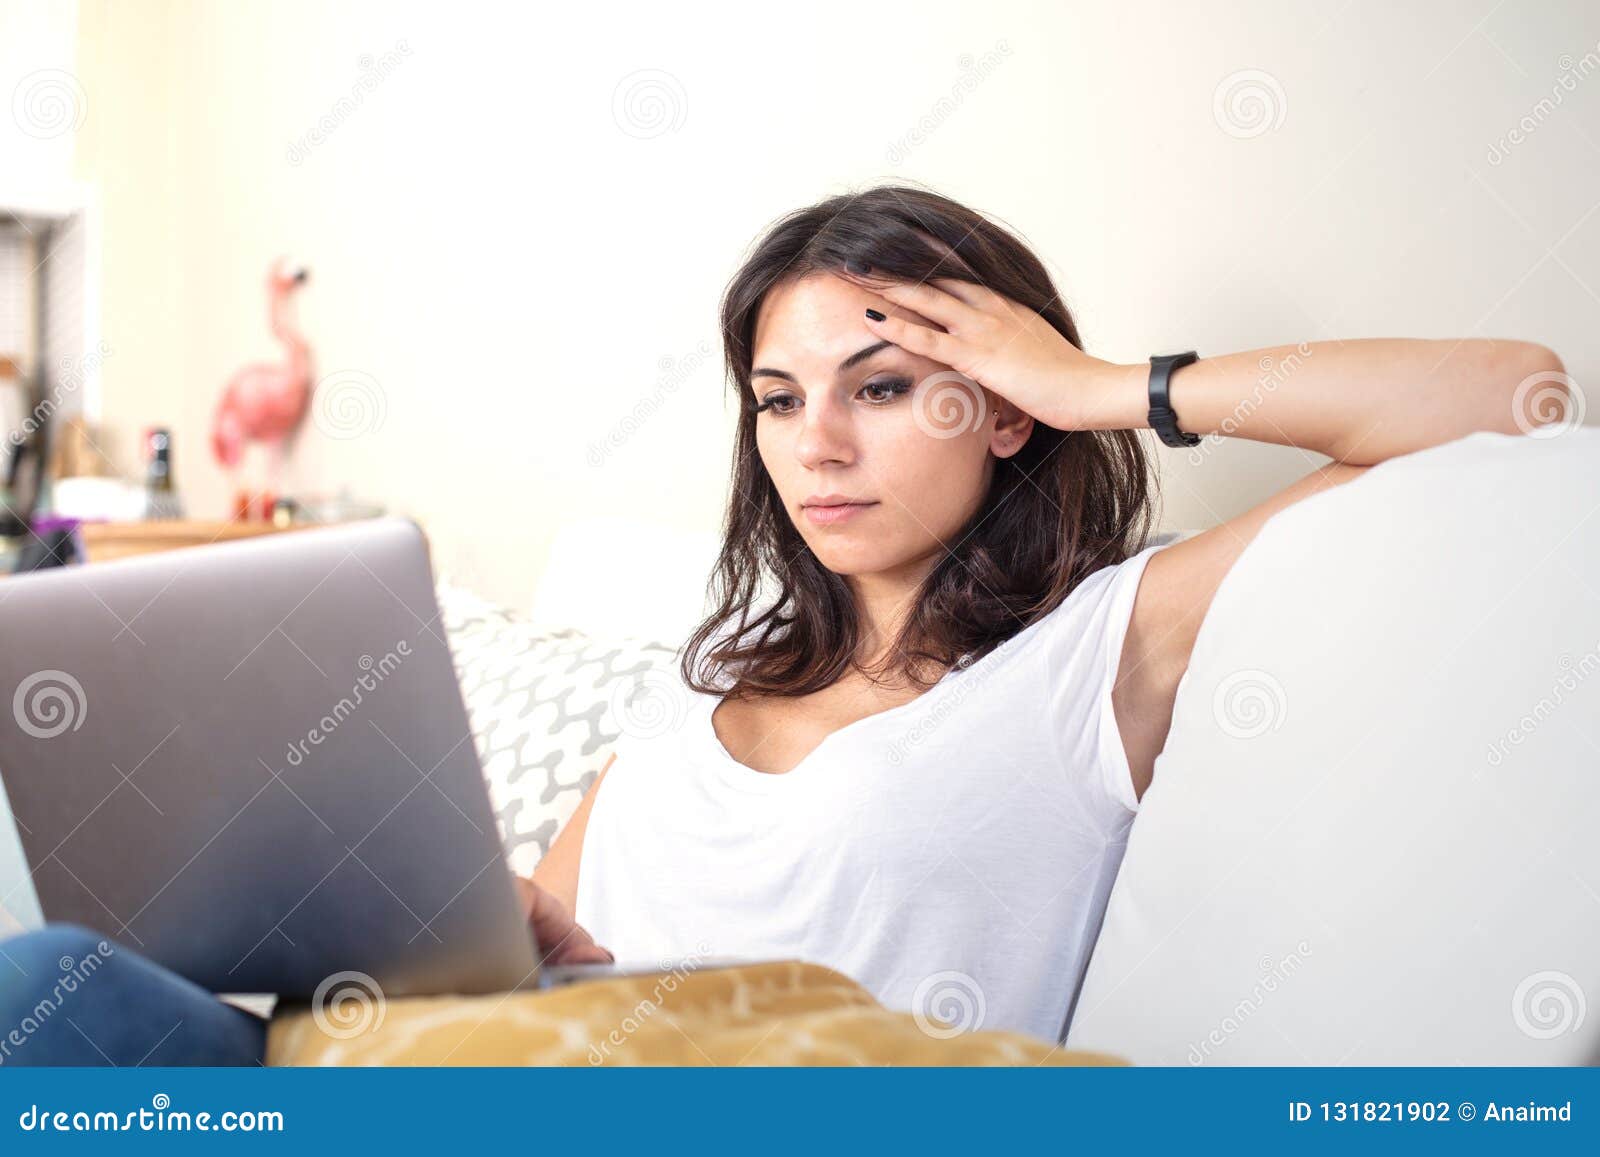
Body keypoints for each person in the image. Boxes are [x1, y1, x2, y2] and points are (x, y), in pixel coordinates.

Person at [1, 183, 1566, 1059]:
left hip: (755, 1089)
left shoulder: (1096, 651)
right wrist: (490, 929)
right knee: (59, 973)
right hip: (523, 1073)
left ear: (999, 401)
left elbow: (1513, 399)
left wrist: (1104, 389)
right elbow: (527, 960)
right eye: (779, 399)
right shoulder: (695, 693)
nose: (816, 440)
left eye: (882, 388)